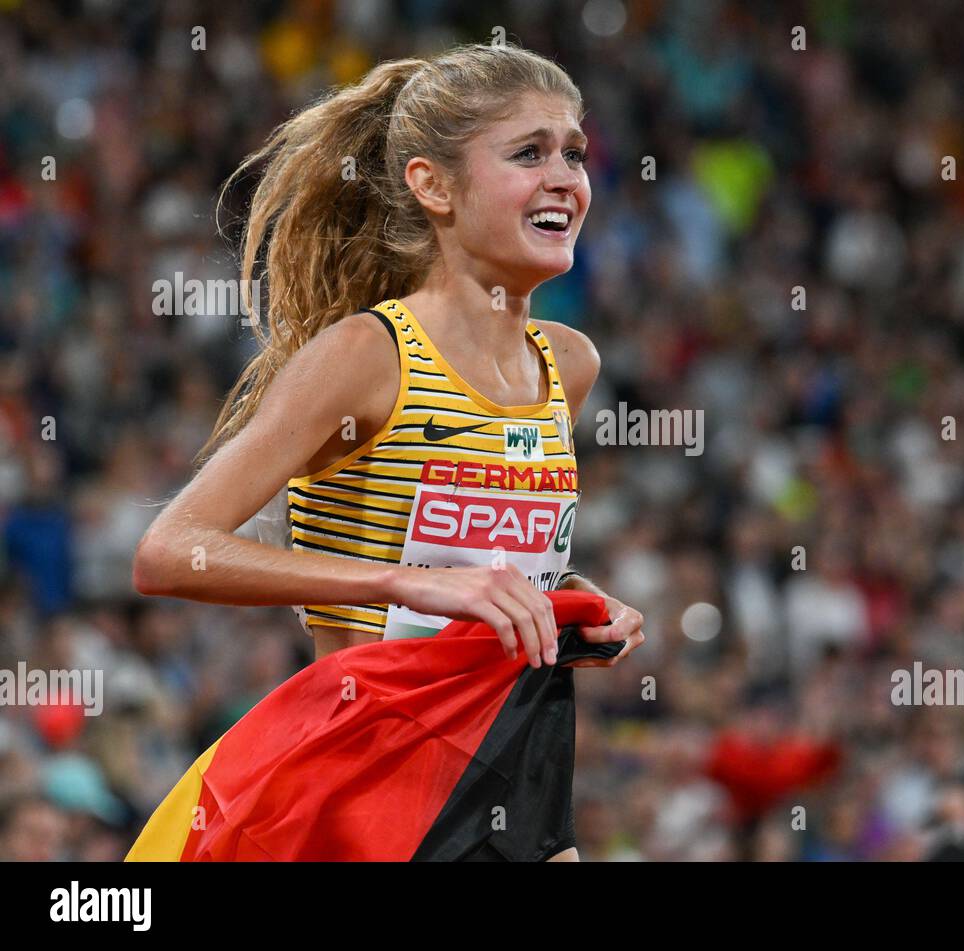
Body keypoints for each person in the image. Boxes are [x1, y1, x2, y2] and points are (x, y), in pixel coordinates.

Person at [132, 43, 645, 862]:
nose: (565, 177)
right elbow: (169, 551)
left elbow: (489, 564)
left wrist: (565, 598)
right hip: (367, 786)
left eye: (574, 152)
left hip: (517, 767)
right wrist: (403, 581)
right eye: (529, 153)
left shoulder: (568, 365)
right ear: (432, 184)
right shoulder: (367, 357)